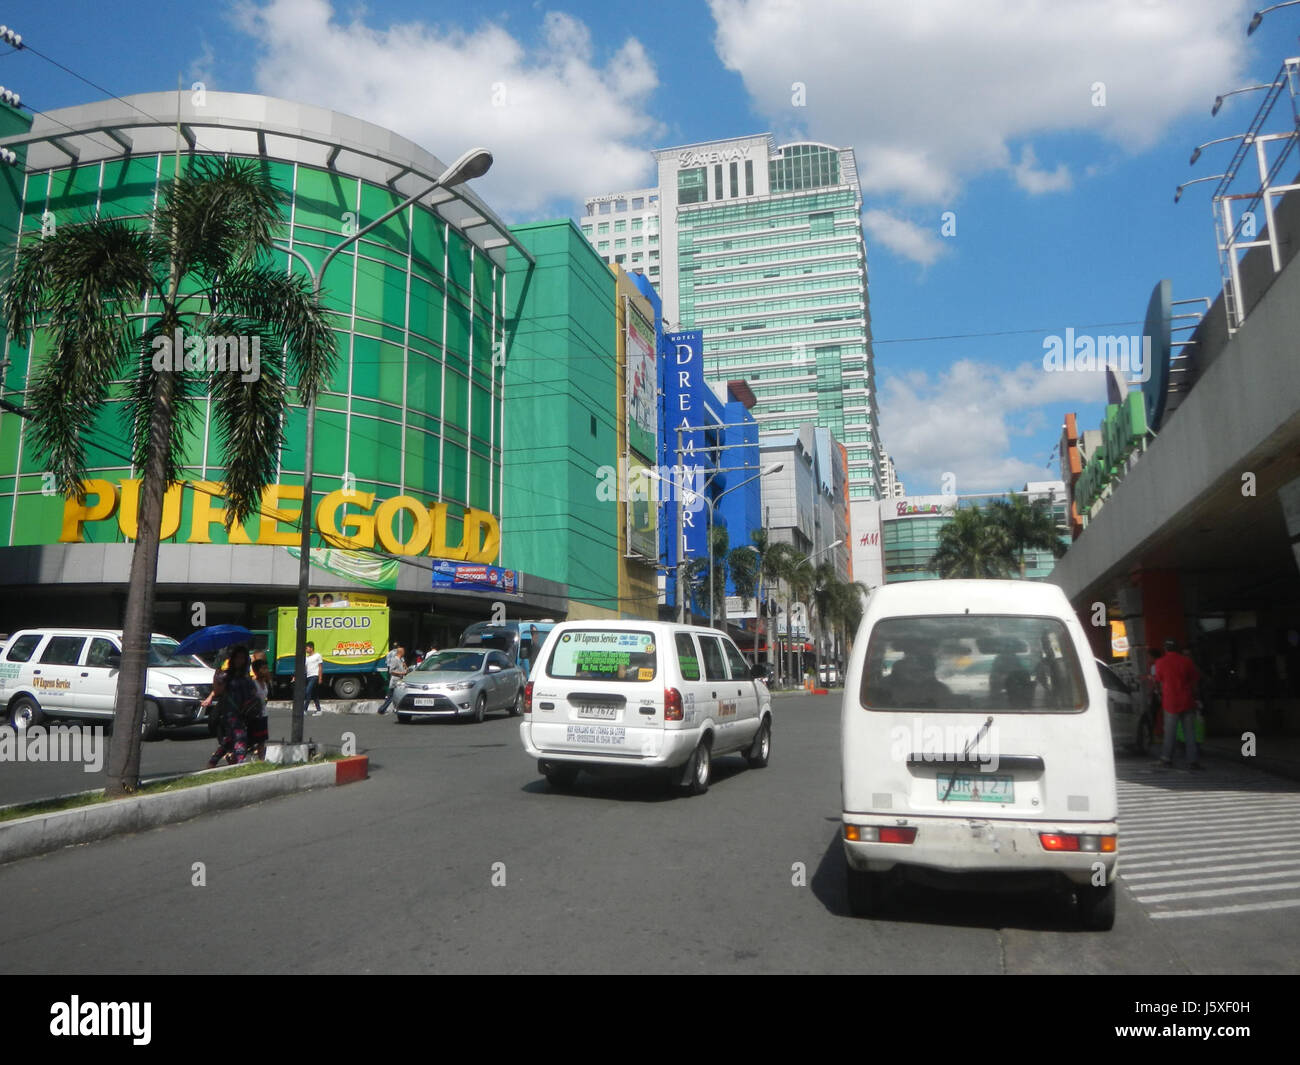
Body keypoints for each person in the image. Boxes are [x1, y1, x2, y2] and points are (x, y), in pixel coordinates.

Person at [1154, 638, 1202, 770]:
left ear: (1165, 649)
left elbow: (1158, 680)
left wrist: (1159, 694)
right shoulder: (1187, 662)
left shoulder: (1160, 662)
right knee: (1190, 733)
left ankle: (1167, 759)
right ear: (1177, 648)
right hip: (1187, 700)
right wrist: (1196, 698)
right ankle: (1193, 761)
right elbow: (1195, 682)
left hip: (1170, 702)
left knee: (1170, 733)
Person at [207, 646, 259, 767]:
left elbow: (253, 691)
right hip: (230, 712)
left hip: (244, 712)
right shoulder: (226, 675)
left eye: (242, 658)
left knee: (230, 739)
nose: (240, 660)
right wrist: (216, 678)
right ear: (233, 659)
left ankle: (213, 761)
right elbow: (218, 691)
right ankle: (239, 763)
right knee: (240, 736)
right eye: (237, 657)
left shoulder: (246, 676)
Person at [249, 660, 271, 759]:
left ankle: (261, 759)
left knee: (262, 740)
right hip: (254, 716)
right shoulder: (253, 683)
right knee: (251, 739)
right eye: (263, 668)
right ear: (256, 670)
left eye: (266, 668)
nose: (266, 670)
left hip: (263, 714)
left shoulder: (265, 683)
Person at [377, 642, 407, 715]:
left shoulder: (390, 654)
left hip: (399, 680)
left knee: (394, 696)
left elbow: (387, 663)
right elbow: (391, 670)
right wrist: (402, 673)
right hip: (395, 680)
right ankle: (381, 709)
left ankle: (386, 709)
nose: (404, 652)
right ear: (400, 651)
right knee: (391, 696)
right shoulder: (395, 659)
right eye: (403, 651)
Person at [305, 641, 324, 715]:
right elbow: (305, 668)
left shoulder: (318, 655)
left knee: (307, 691)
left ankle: (304, 709)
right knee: (314, 694)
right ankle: (319, 710)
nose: (306, 650)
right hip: (308, 677)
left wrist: (320, 678)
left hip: (315, 676)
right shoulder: (306, 658)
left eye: (307, 648)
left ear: (311, 648)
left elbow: (320, 667)